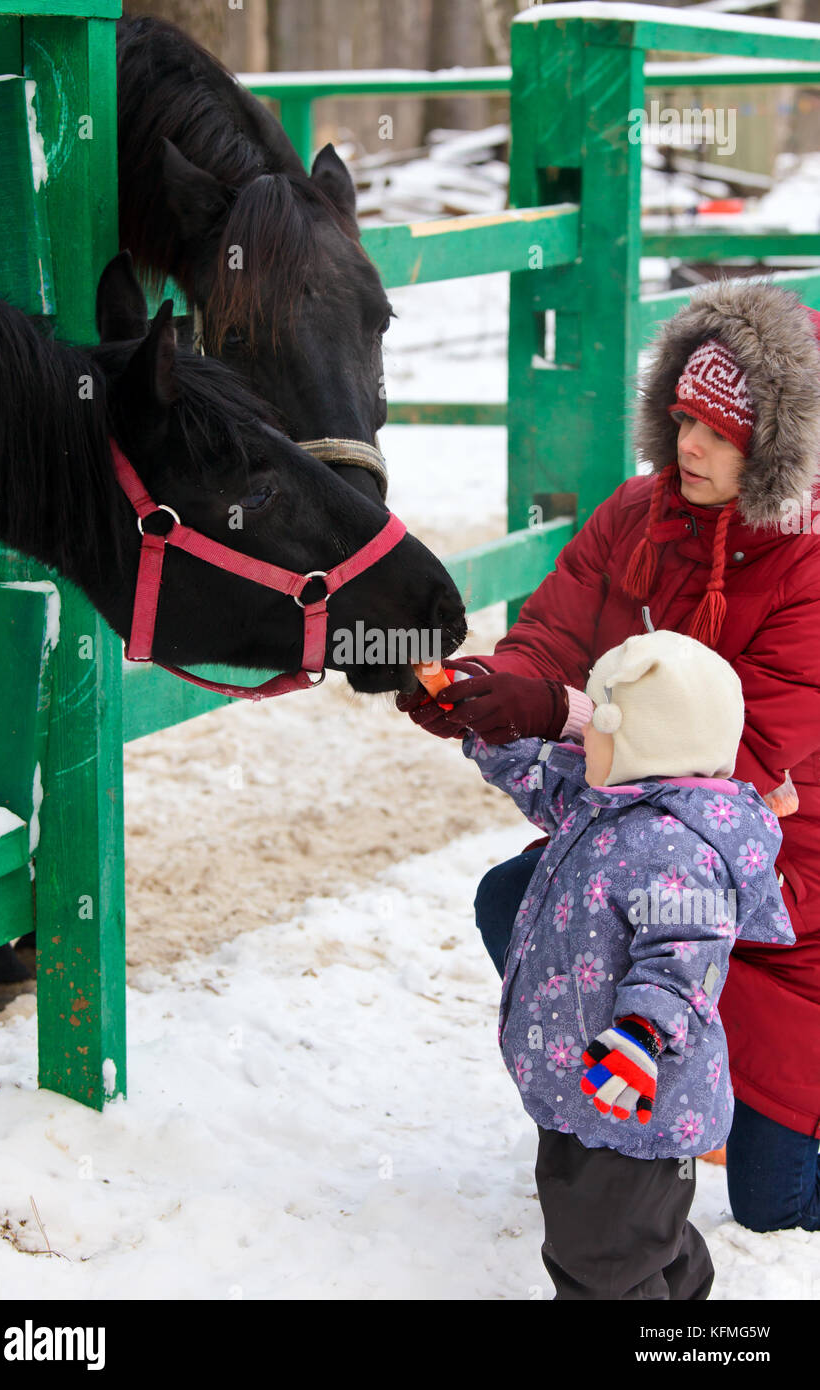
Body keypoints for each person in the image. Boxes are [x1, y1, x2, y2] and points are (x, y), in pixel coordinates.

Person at [398, 278, 820, 1234]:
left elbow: (737, 754)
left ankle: (704, 1085)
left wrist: (561, 710)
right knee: (515, 896)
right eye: (683, 419)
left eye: (724, 431)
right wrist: (489, 691)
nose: (692, 446)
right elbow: (553, 629)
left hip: (783, 873)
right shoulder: (640, 516)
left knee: (773, 1204)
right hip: (648, 841)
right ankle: (628, 1112)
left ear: (780, 445)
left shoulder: (808, 565)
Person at [460, 629, 793, 1299]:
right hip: (593, 1088)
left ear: (640, 742)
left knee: (601, 1261)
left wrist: (641, 1037)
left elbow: (683, 961)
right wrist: (475, 721)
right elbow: (534, 769)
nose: (582, 746)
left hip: (635, 1089)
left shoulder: (676, 846)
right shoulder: (603, 800)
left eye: (596, 728)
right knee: (635, 1234)